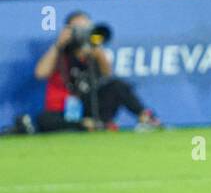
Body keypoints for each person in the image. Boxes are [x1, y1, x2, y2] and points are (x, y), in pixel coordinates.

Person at [30, 12, 161, 133]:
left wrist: (97, 48)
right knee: (44, 119)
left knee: (117, 85)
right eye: (78, 29)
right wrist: (58, 45)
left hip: (91, 104)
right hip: (64, 109)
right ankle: (86, 124)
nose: (83, 32)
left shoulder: (93, 51)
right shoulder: (60, 52)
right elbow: (40, 73)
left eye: (87, 28)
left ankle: (146, 117)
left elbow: (107, 75)